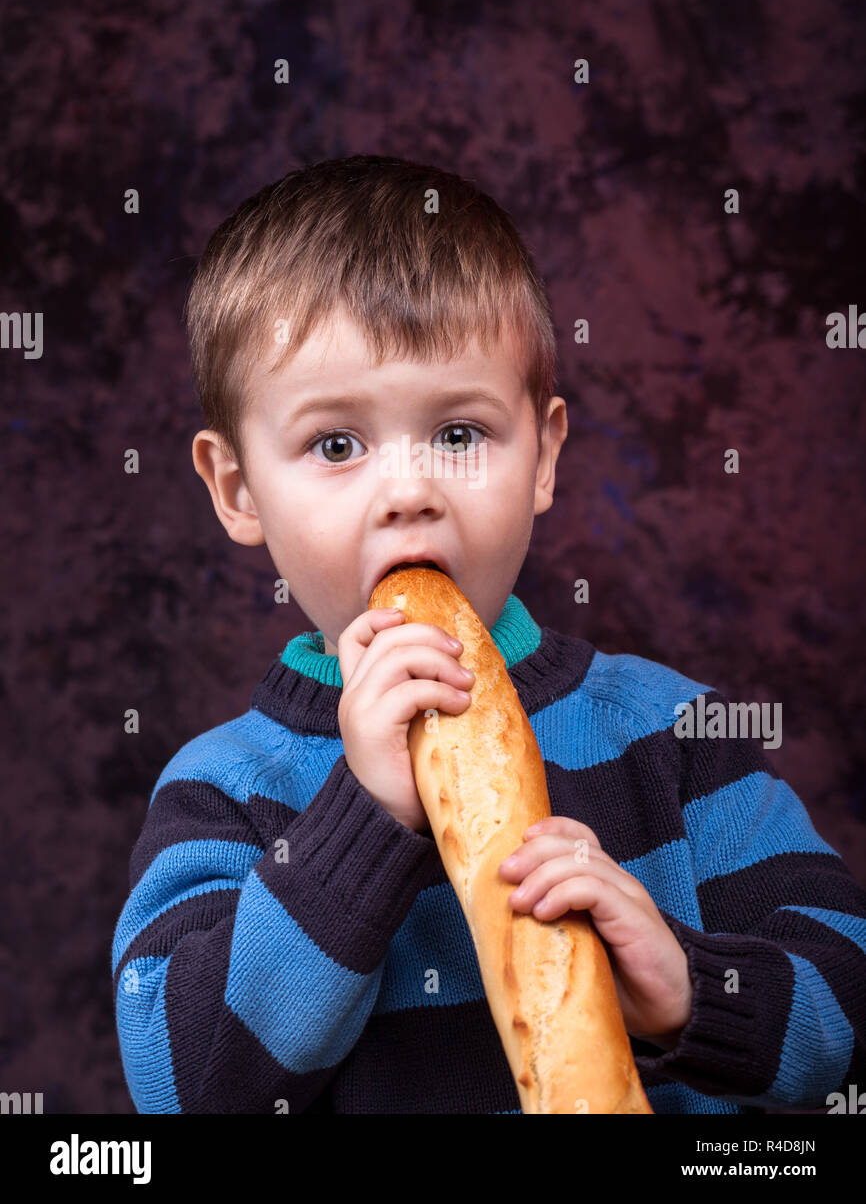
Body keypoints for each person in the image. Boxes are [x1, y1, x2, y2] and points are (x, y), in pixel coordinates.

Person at [112, 154, 866, 1114]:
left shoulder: (678, 738)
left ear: (544, 457)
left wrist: (689, 993)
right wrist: (364, 817)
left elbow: (847, 1010)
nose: (410, 491)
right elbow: (186, 1086)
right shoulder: (222, 793)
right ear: (237, 488)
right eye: (335, 444)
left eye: (460, 434)